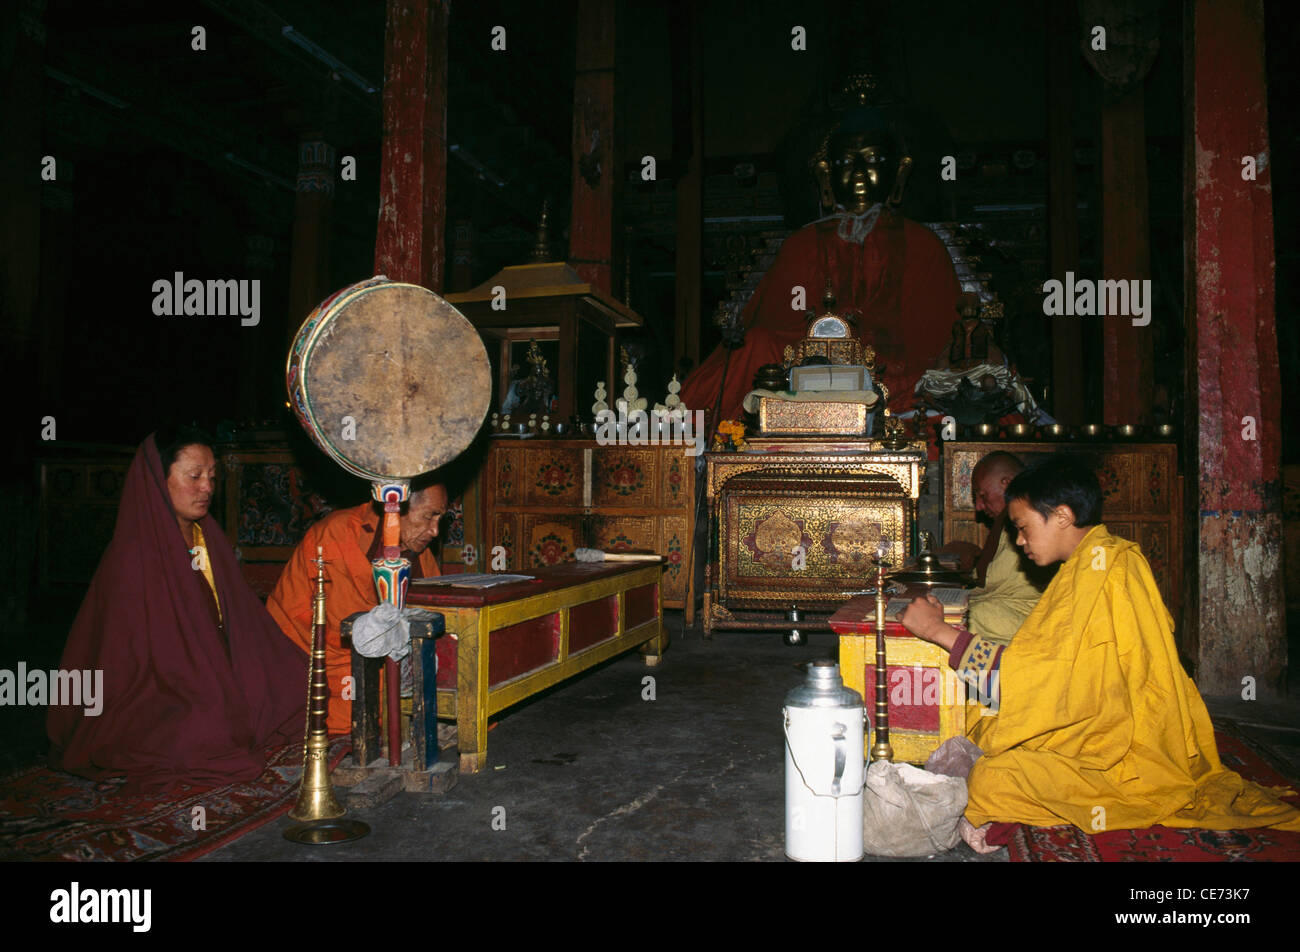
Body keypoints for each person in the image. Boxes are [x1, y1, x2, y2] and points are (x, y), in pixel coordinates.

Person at [899, 455, 1300, 849]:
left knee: (990, 778)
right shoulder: (1101, 558)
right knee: (978, 726)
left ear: (1061, 516)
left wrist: (938, 632)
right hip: (1094, 719)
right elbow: (1053, 674)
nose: (1019, 541)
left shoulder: (1100, 569)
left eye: (1022, 528)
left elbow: (1029, 681)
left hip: (1122, 749)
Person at [47, 426, 306, 793]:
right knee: (206, 725)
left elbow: (242, 619)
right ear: (158, 480)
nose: (207, 488)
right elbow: (129, 660)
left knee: (296, 683)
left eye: (212, 477)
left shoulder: (207, 536)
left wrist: (242, 668)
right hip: (155, 688)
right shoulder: (131, 554)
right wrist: (205, 683)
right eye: (194, 476)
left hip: (216, 667)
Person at [679, 109, 960, 426]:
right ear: (825, 175)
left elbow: (937, 334)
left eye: (873, 160)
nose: (857, 172)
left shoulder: (922, 244)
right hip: (808, 364)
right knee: (757, 343)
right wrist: (820, 352)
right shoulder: (803, 243)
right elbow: (779, 320)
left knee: (954, 371)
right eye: (844, 163)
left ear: (899, 172)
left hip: (893, 372)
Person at [267, 480, 448, 734]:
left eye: (440, 519)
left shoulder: (419, 553)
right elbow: (313, 621)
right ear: (400, 508)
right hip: (323, 660)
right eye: (430, 517)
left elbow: (433, 615)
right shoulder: (337, 535)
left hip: (388, 663)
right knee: (378, 701)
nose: (435, 531)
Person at [963, 451, 1051, 645]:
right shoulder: (1007, 520)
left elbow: (993, 580)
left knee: (972, 617)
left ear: (1007, 483)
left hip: (1036, 615)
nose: (978, 506)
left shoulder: (1037, 512)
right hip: (1011, 606)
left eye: (983, 495)